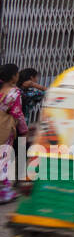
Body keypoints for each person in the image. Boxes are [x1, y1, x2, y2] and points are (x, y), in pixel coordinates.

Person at [0, 64, 29, 204]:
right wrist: (24, 130)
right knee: (3, 159)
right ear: (13, 76)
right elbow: (17, 113)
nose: (18, 75)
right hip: (4, 130)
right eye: (17, 73)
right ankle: (4, 192)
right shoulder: (14, 92)